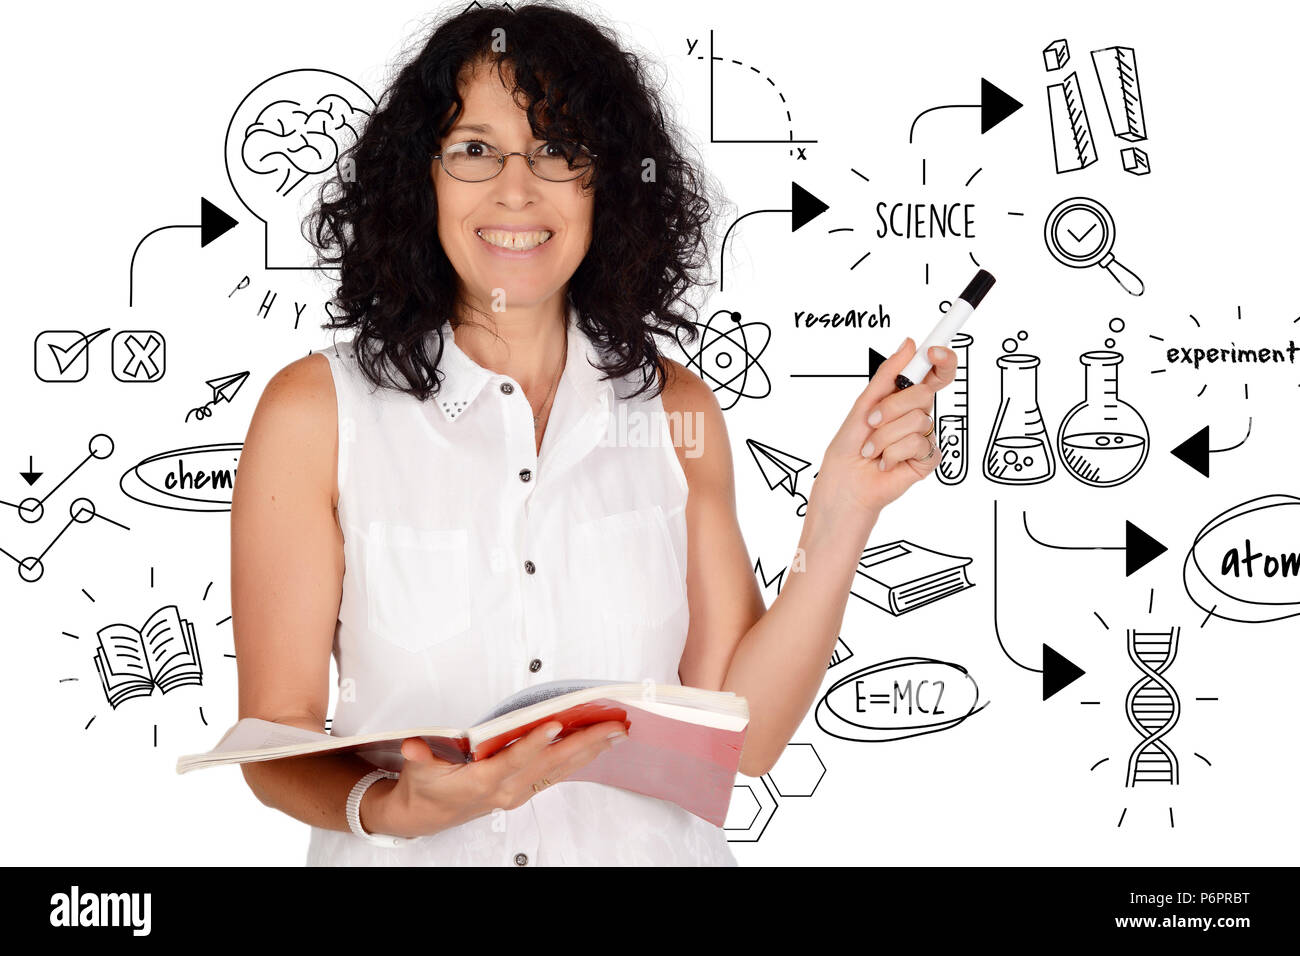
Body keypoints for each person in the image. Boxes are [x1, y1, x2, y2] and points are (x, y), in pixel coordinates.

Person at [231, 1, 956, 866]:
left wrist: (839, 515)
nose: (516, 189)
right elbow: (272, 741)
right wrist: (392, 808)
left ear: (603, 182)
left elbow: (745, 738)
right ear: (419, 178)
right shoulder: (316, 414)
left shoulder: (675, 410)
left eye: (557, 150)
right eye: (474, 150)